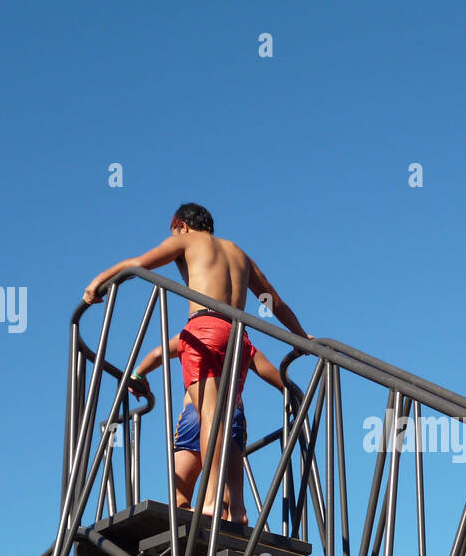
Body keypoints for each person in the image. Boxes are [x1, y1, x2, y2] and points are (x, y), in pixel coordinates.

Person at [84, 203, 308, 518]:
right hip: (238, 339)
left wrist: (98, 281)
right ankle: (238, 507)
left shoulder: (186, 240)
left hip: (205, 330)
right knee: (226, 418)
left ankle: (213, 500)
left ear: (182, 226)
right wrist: (301, 336)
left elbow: (138, 265)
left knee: (210, 414)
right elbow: (275, 301)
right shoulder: (238, 253)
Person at [132, 335, 286, 522]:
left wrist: (138, 375)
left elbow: (158, 353)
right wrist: (289, 394)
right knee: (224, 499)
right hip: (231, 413)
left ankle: (190, 528)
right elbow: (277, 378)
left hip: (195, 412)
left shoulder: (194, 333)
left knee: (179, 499)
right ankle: (232, 515)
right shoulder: (241, 342)